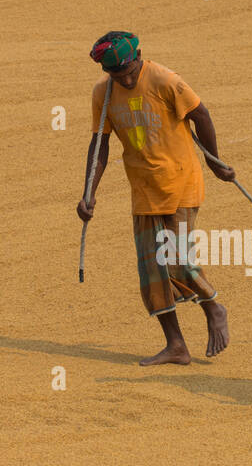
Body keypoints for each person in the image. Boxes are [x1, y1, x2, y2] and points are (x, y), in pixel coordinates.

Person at [77, 31, 234, 364]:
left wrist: (214, 161)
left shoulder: (165, 80)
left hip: (180, 182)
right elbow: (100, 144)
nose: (126, 78)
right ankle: (176, 345)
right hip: (144, 189)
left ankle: (213, 308)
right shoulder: (103, 94)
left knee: (178, 262)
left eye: (130, 70)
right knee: (152, 272)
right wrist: (88, 191)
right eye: (117, 75)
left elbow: (201, 114)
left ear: (139, 56)